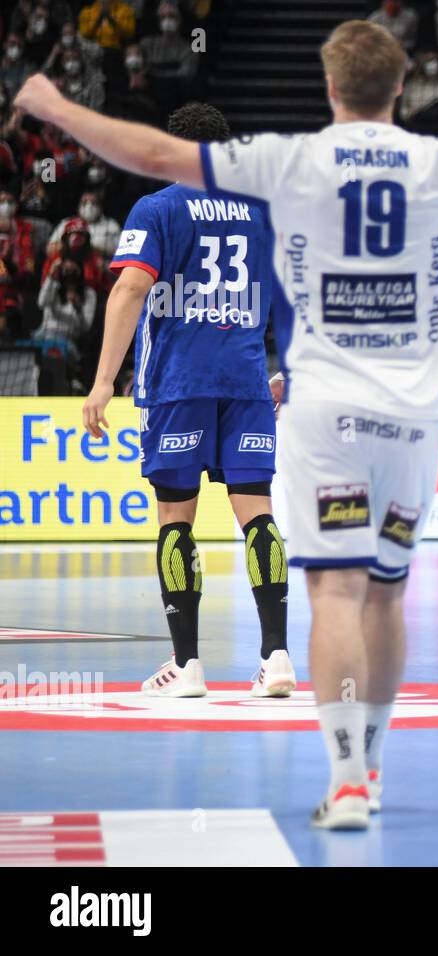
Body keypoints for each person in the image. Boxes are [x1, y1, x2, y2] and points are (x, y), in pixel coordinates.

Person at [14, 20, 438, 829]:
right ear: (402, 89)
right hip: (404, 416)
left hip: (318, 413)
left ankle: (341, 777)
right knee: (385, 598)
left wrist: (55, 105)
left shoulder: (285, 164)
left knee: (333, 589)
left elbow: (152, 156)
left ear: (330, 90)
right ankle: (356, 743)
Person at [75, 103, 294, 700]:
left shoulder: (160, 207)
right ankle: (276, 655)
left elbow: (128, 290)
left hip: (178, 386)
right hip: (247, 384)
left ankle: (187, 664)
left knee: (177, 519)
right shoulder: (263, 213)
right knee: (258, 514)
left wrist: (101, 381)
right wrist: (290, 371)